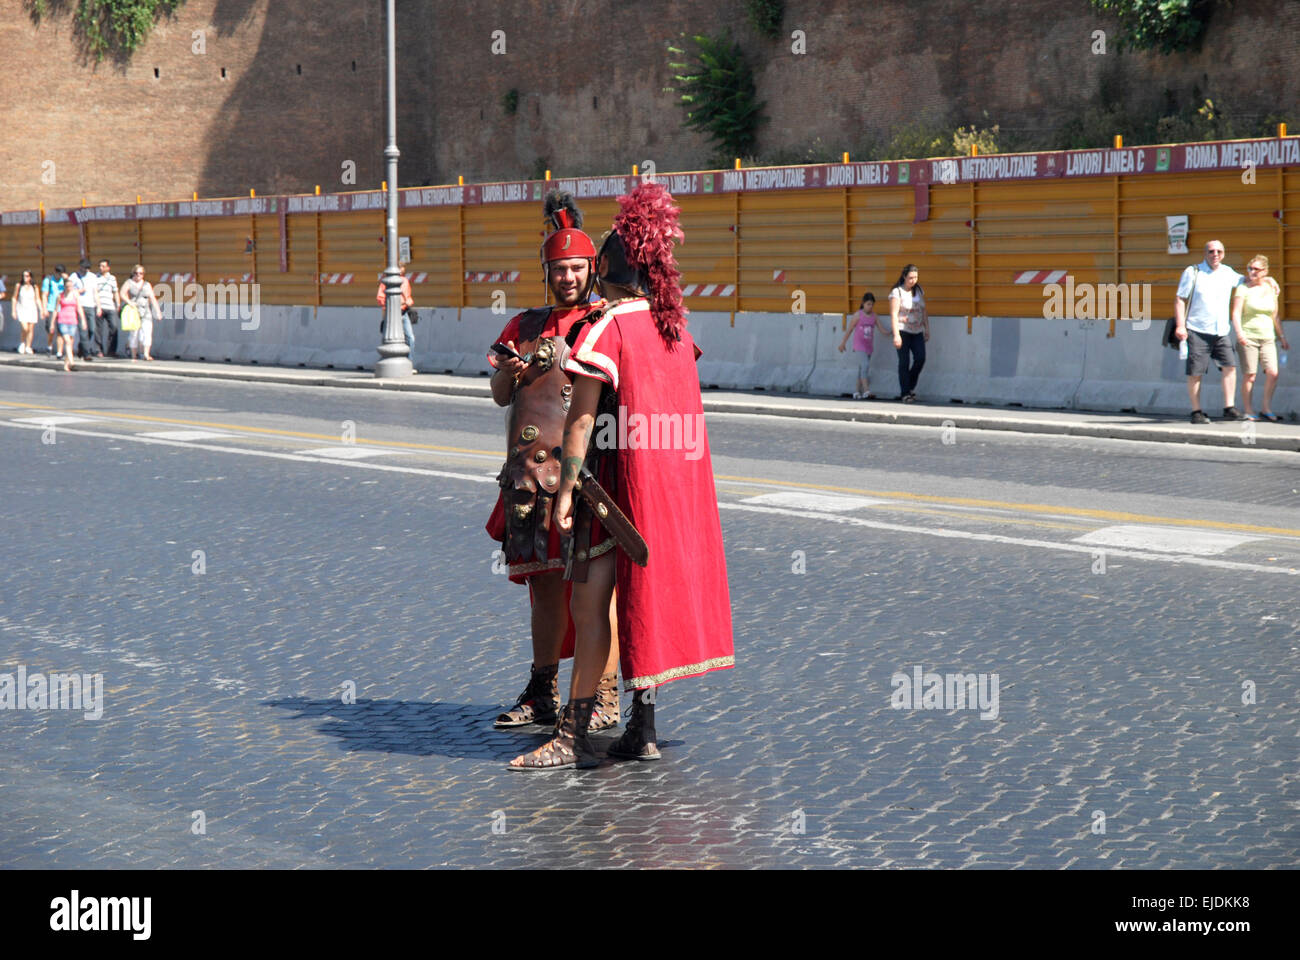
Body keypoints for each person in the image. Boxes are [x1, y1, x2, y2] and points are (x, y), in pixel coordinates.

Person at [508, 182, 735, 770]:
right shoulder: (676, 328)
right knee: (645, 602)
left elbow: (581, 420)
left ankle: (574, 735)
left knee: (590, 610)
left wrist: (565, 492)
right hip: (671, 492)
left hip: (610, 491)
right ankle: (644, 728)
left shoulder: (610, 325)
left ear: (605, 274)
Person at [486, 190, 622, 737]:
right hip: (529, 481)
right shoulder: (524, 323)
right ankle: (543, 689)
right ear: (547, 271)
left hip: (589, 475)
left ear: (590, 269)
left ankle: (605, 693)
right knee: (544, 586)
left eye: (575, 268)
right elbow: (498, 393)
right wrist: (512, 373)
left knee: (596, 585)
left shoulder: (607, 320)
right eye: (558, 269)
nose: (567, 278)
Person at [1175, 240, 1243, 423]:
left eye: (1219, 251)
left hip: (1221, 330)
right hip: (1197, 329)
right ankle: (1196, 411)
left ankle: (1229, 407)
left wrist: (1267, 279)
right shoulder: (1193, 272)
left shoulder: (1228, 273)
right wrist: (1180, 325)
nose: (1215, 254)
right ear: (1205, 253)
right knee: (1196, 371)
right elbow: (1180, 299)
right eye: (1212, 251)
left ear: (1224, 253)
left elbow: (1247, 282)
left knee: (1230, 367)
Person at [1231, 254, 1288, 422]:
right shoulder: (1243, 288)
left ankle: (1266, 407)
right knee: (1250, 375)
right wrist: (1239, 333)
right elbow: (1235, 313)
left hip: (1267, 336)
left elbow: (1275, 315)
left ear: (1265, 271)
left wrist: (1282, 336)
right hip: (1248, 336)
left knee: (1273, 372)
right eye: (1250, 269)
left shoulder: (1271, 288)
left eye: (1257, 269)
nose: (1252, 272)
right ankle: (1248, 409)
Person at [889, 264, 928, 402]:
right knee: (904, 362)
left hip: (917, 330)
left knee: (920, 358)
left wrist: (926, 328)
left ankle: (910, 385)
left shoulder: (918, 291)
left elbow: (923, 311)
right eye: (910, 277)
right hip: (903, 330)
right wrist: (896, 335)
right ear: (904, 276)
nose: (913, 280)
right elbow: (893, 314)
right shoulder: (897, 292)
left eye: (915, 277)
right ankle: (905, 392)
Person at [838, 291, 883, 399]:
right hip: (859, 345)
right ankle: (866, 390)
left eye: (872, 304)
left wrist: (894, 333)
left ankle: (856, 391)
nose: (870, 307)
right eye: (868, 304)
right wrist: (843, 343)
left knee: (862, 368)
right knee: (865, 365)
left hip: (868, 346)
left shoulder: (874, 316)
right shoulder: (858, 315)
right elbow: (849, 330)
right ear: (863, 303)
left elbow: (882, 329)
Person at [120, 265, 161, 361]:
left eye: (141, 273)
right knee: (134, 334)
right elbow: (122, 293)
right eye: (136, 273)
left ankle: (146, 354)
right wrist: (130, 302)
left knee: (147, 333)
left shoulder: (147, 284)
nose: (138, 275)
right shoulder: (129, 283)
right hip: (134, 312)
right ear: (133, 273)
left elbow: (152, 298)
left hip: (146, 312)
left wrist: (158, 311)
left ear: (143, 274)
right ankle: (134, 355)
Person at [375, 263, 415, 352]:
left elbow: (408, 297)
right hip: (391, 313)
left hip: (403, 313)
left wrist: (409, 302)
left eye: (403, 268)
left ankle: (408, 360)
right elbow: (380, 298)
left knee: (410, 338)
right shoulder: (386, 282)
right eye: (400, 267)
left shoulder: (405, 281)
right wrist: (390, 304)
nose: (402, 270)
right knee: (389, 340)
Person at [54, 279, 84, 372]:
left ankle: (66, 365)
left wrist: (83, 320)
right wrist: (52, 323)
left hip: (73, 320)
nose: (69, 288)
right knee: (67, 341)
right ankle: (72, 362)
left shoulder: (75, 295)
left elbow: (79, 308)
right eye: (67, 286)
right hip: (62, 320)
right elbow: (56, 310)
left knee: (70, 343)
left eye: (70, 286)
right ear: (64, 286)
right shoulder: (60, 296)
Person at [11, 270, 44, 354]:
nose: (25, 278)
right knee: (25, 327)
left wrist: (41, 310)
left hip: (32, 309)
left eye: (27, 276)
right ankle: (22, 343)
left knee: (30, 328)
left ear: (30, 277)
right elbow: (14, 298)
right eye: (24, 276)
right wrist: (13, 310)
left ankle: (28, 346)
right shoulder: (19, 286)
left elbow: (37, 299)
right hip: (22, 308)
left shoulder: (34, 287)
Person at [72, 260, 98, 362]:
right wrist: (79, 291)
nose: (85, 270)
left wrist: (98, 305)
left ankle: (82, 346)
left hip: (91, 305)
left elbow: (95, 291)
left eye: (87, 268)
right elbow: (69, 291)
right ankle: (87, 354)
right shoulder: (74, 277)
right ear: (80, 267)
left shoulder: (92, 276)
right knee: (83, 330)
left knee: (92, 329)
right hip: (79, 306)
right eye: (84, 267)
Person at [94, 259, 121, 357]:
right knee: (98, 330)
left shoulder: (112, 278)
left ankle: (111, 350)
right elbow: (95, 292)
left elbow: (115, 291)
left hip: (110, 306)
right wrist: (98, 306)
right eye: (100, 266)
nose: (101, 268)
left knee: (114, 327)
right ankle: (98, 350)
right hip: (99, 306)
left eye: (103, 266)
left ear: (108, 268)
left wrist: (118, 304)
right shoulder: (95, 277)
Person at [41, 265, 66, 357]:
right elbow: (44, 295)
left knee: (61, 331)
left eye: (61, 273)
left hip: (62, 309)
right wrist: (44, 309)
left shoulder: (64, 281)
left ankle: (59, 351)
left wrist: (66, 279)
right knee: (51, 330)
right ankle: (49, 346)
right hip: (51, 308)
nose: (59, 275)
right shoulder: (48, 280)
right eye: (58, 273)